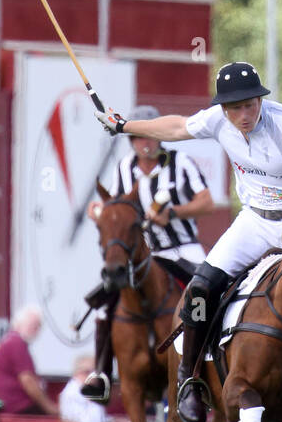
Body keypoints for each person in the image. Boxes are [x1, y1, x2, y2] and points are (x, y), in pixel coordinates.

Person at [95, 62, 282, 422]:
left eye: (250, 105)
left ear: (260, 100)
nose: (243, 114)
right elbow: (175, 127)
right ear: (223, 108)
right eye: (234, 107)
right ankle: (190, 379)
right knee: (200, 290)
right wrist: (124, 126)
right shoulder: (218, 121)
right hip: (254, 222)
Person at [80, 103, 216, 402]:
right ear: (131, 140)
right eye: (140, 137)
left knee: (209, 293)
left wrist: (174, 213)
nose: (146, 142)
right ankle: (101, 374)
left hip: (182, 248)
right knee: (106, 300)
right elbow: (116, 208)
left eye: (151, 136)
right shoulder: (123, 168)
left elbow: (207, 202)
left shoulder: (181, 163)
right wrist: (99, 213)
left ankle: (210, 362)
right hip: (144, 255)